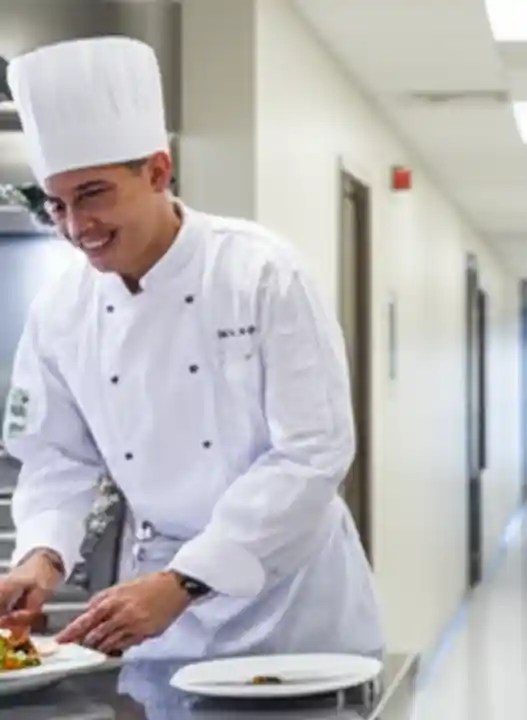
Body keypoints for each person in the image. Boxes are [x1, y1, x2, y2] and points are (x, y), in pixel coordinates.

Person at [0, 36, 383, 660]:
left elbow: (313, 451)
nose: (76, 227)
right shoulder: (62, 308)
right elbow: (56, 456)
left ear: (157, 170)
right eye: (58, 205)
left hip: (291, 602)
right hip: (157, 607)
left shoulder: (261, 273)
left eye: (93, 194)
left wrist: (185, 581)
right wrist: (40, 556)